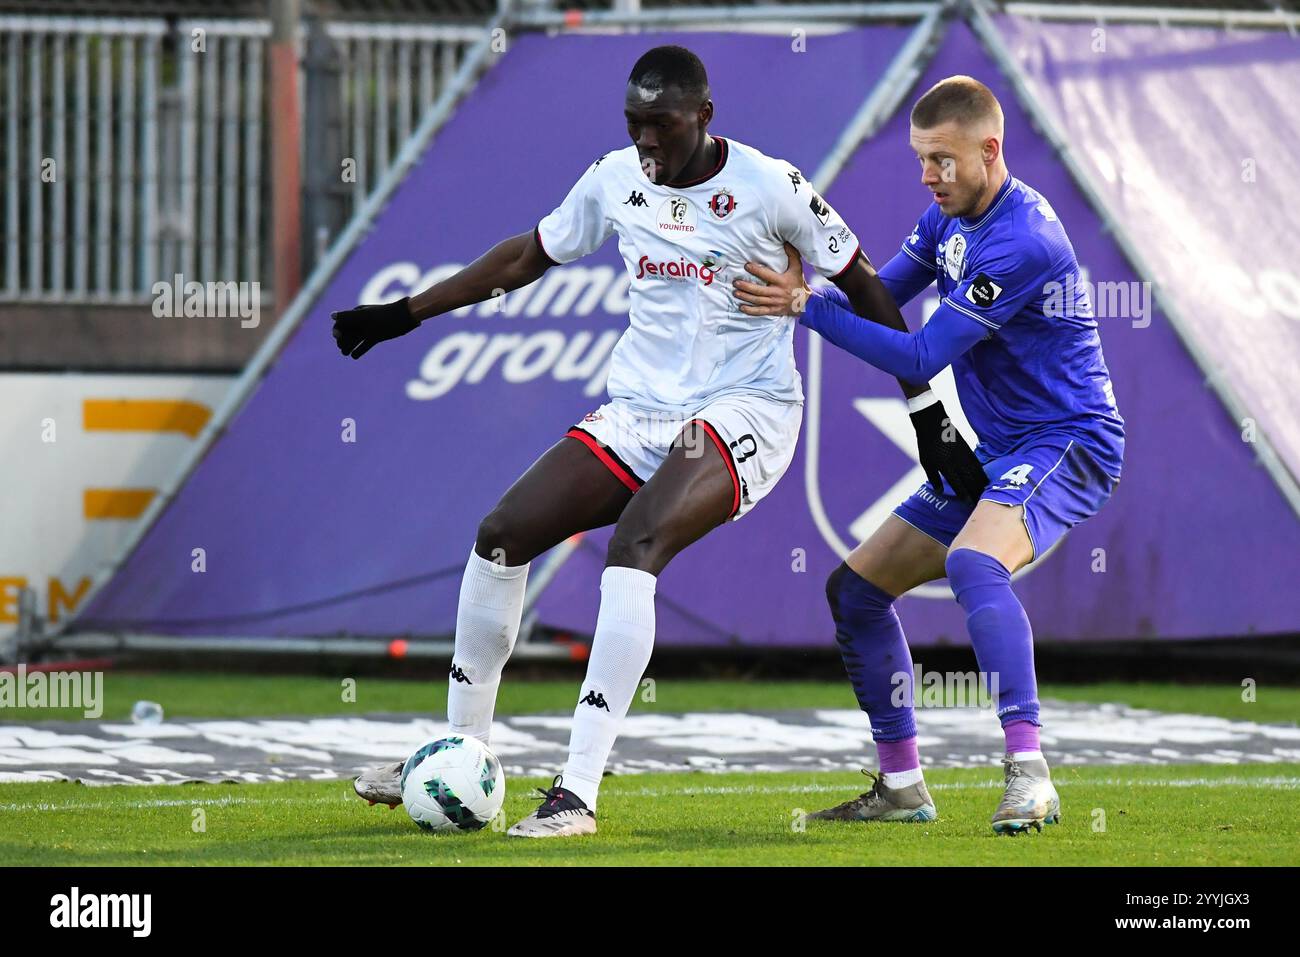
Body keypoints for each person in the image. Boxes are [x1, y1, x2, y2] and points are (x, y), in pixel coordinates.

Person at [332, 48, 987, 838]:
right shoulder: (615, 178)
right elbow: (527, 254)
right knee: (500, 536)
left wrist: (927, 410)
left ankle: (575, 793)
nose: (647, 141)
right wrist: (406, 312)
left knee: (635, 545)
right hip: (637, 412)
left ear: (704, 117)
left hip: (747, 411)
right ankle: (459, 754)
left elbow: (866, 284)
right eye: (635, 124)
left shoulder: (770, 186)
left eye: (662, 125)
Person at [734, 75, 1124, 835]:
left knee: (975, 563)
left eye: (943, 159)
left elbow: (920, 351)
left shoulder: (1021, 243)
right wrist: (795, 295)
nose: (929, 175)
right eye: (921, 159)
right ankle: (903, 784)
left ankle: (1030, 774)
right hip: (1000, 445)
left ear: (991, 149)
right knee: (855, 591)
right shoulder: (948, 217)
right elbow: (881, 293)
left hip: (1068, 440)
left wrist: (805, 307)